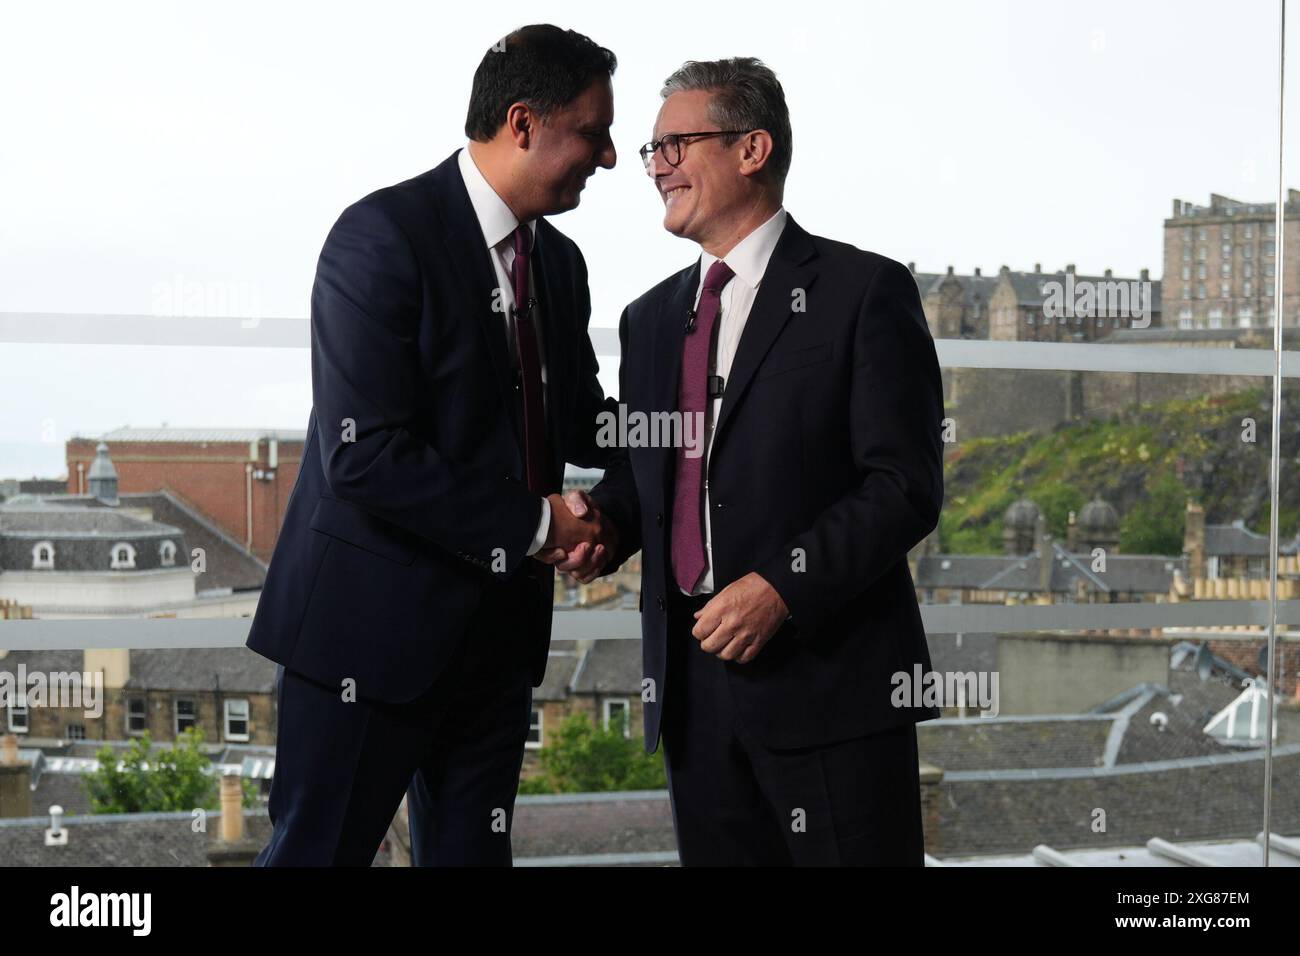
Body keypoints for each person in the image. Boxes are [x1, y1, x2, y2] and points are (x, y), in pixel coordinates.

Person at [247, 24, 619, 866]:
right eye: (593, 134)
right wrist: (539, 525)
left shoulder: (558, 266)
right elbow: (363, 452)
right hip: (364, 643)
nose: (606, 158)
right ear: (523, 123)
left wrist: (663, 461)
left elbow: (585, 421)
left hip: (496, 647)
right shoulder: (380, 235)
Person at [560, 57, 946, 865]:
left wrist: (783, 589)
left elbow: (902, 487)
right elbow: (651, 474)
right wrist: (605, 528)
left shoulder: (864, 291)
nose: (657, 164)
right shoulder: (651, 319)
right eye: (651, 150)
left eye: (678, 143)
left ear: (752, 149)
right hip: (694, 697)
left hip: (830, 686)